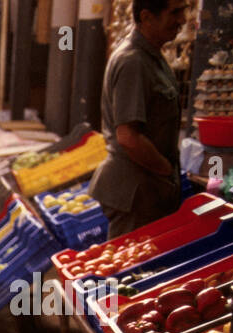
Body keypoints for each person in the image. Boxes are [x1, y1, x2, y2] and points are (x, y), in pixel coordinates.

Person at [89, 0, 188, 239]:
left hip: (146, 188)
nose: (182, 20)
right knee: (132, 273)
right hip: (136, 191)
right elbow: (129, 138)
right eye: (174, 12)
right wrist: (165, 171)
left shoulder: (152, 57)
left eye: (183, 11)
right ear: (146, 17)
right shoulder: (133, 61)